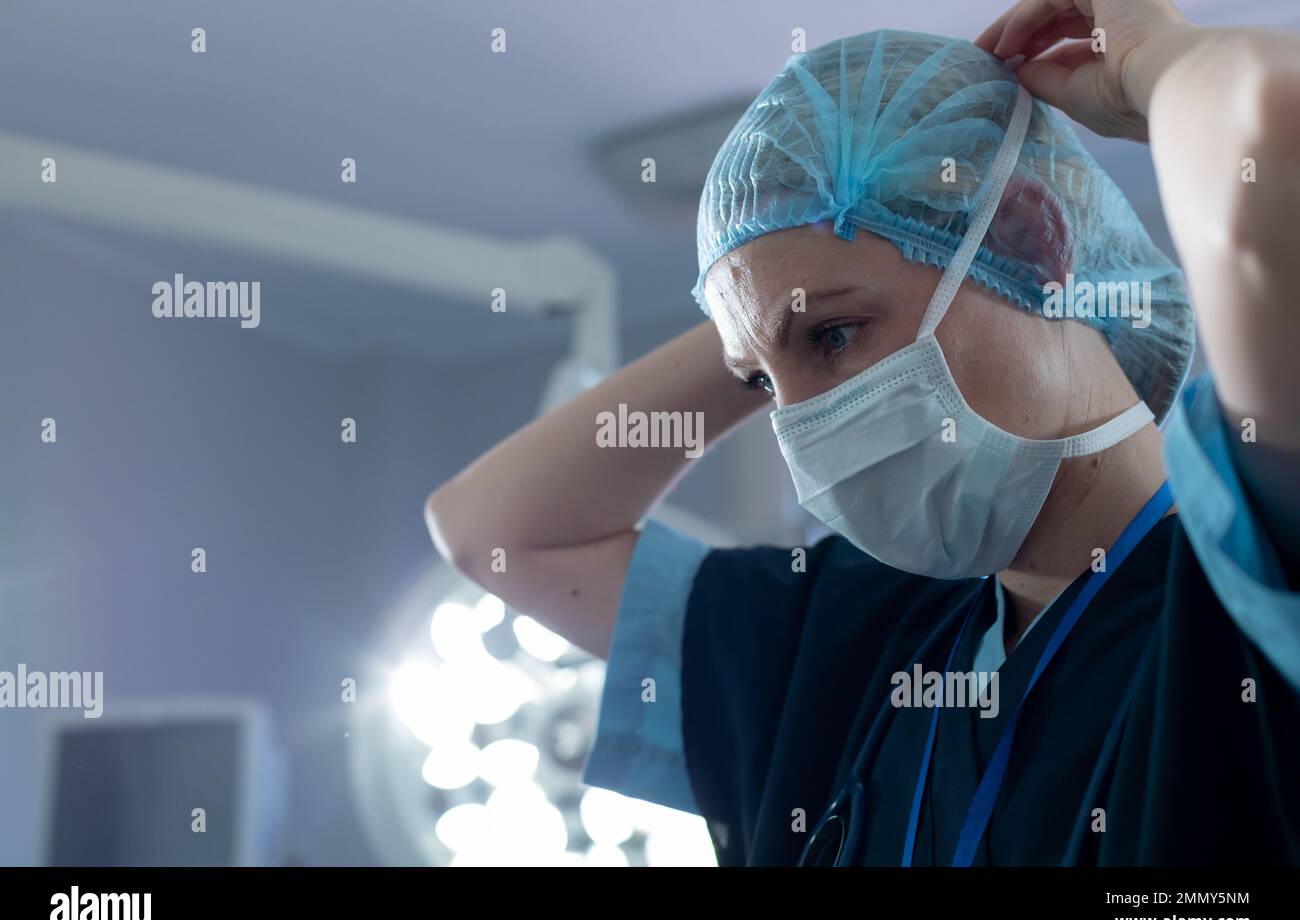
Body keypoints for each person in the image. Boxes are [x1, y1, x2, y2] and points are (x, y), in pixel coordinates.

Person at [425, 0, 1300, 865]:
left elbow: (1277, 126)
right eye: (761, 385)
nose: (799, 423)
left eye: (836, 338)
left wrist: (1158, 58)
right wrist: (768, 279)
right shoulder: (853, 641)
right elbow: (496, 534)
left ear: (1034, 242)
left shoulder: (1248, 570)